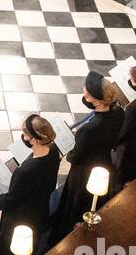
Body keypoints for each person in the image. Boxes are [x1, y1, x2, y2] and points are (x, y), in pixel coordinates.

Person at [50, 72, 125, 242]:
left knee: (75, 205)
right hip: (103, 161)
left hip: (83, 172)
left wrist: (70, 150)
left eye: (86, 94)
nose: (84, 95)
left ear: (96, 101)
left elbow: (76, 157)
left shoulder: (89, 129)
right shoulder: (118, 112)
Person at [0, 114, 61, 255]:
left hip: (21, 216)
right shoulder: (53, 150)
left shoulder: (26, 171)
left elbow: (13, 199)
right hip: (40, 210)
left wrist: (0, 199)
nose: (23, 138)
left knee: (12, 252)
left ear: (35, 139)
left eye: (25, 135)